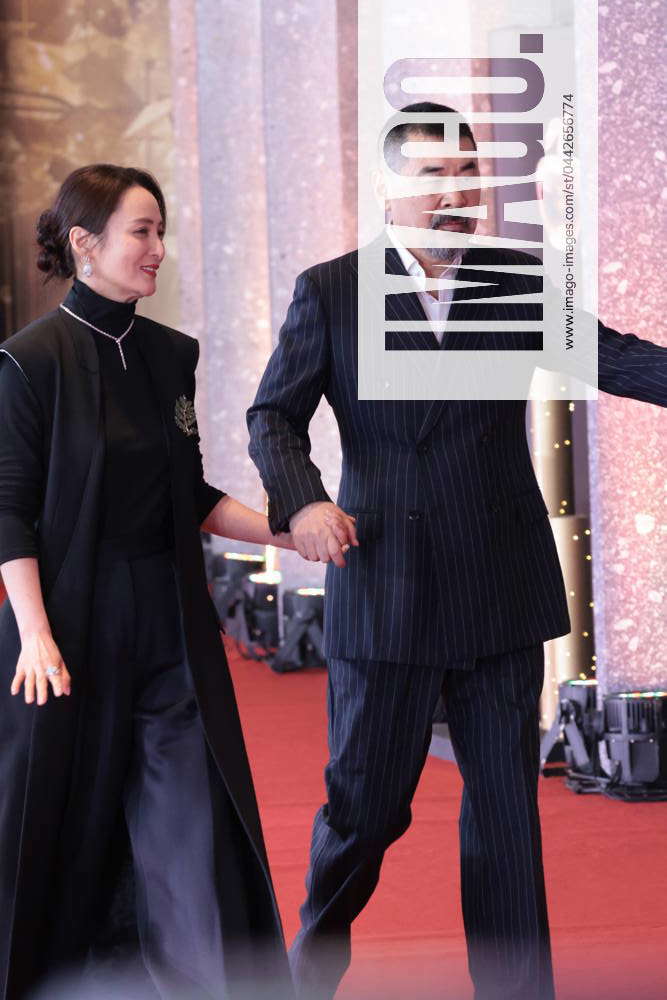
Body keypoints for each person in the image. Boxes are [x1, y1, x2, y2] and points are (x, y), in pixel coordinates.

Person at [246, 103, 667, 1000]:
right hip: (384, 584)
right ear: (389, 188)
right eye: (435, 175)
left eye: (469, 175)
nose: (456, 193)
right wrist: (304, 499)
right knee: (364, 813)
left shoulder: (516, 284)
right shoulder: (332, 290)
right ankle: (306, 976)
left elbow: (616, 357)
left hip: (498, 584)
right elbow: (273, 415)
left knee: (507, 821)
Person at [0, 163, 322, 1000]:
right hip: (67, 632)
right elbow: (9, 511)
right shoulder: (29, 362)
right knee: (66, 827)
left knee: (190, 821)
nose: (157, 249)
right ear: (85, 243)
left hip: (170, 624)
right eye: (141, 232)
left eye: (159, 231)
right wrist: (34, 633)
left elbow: (191, 492)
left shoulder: (171, 355)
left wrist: (286, 529)